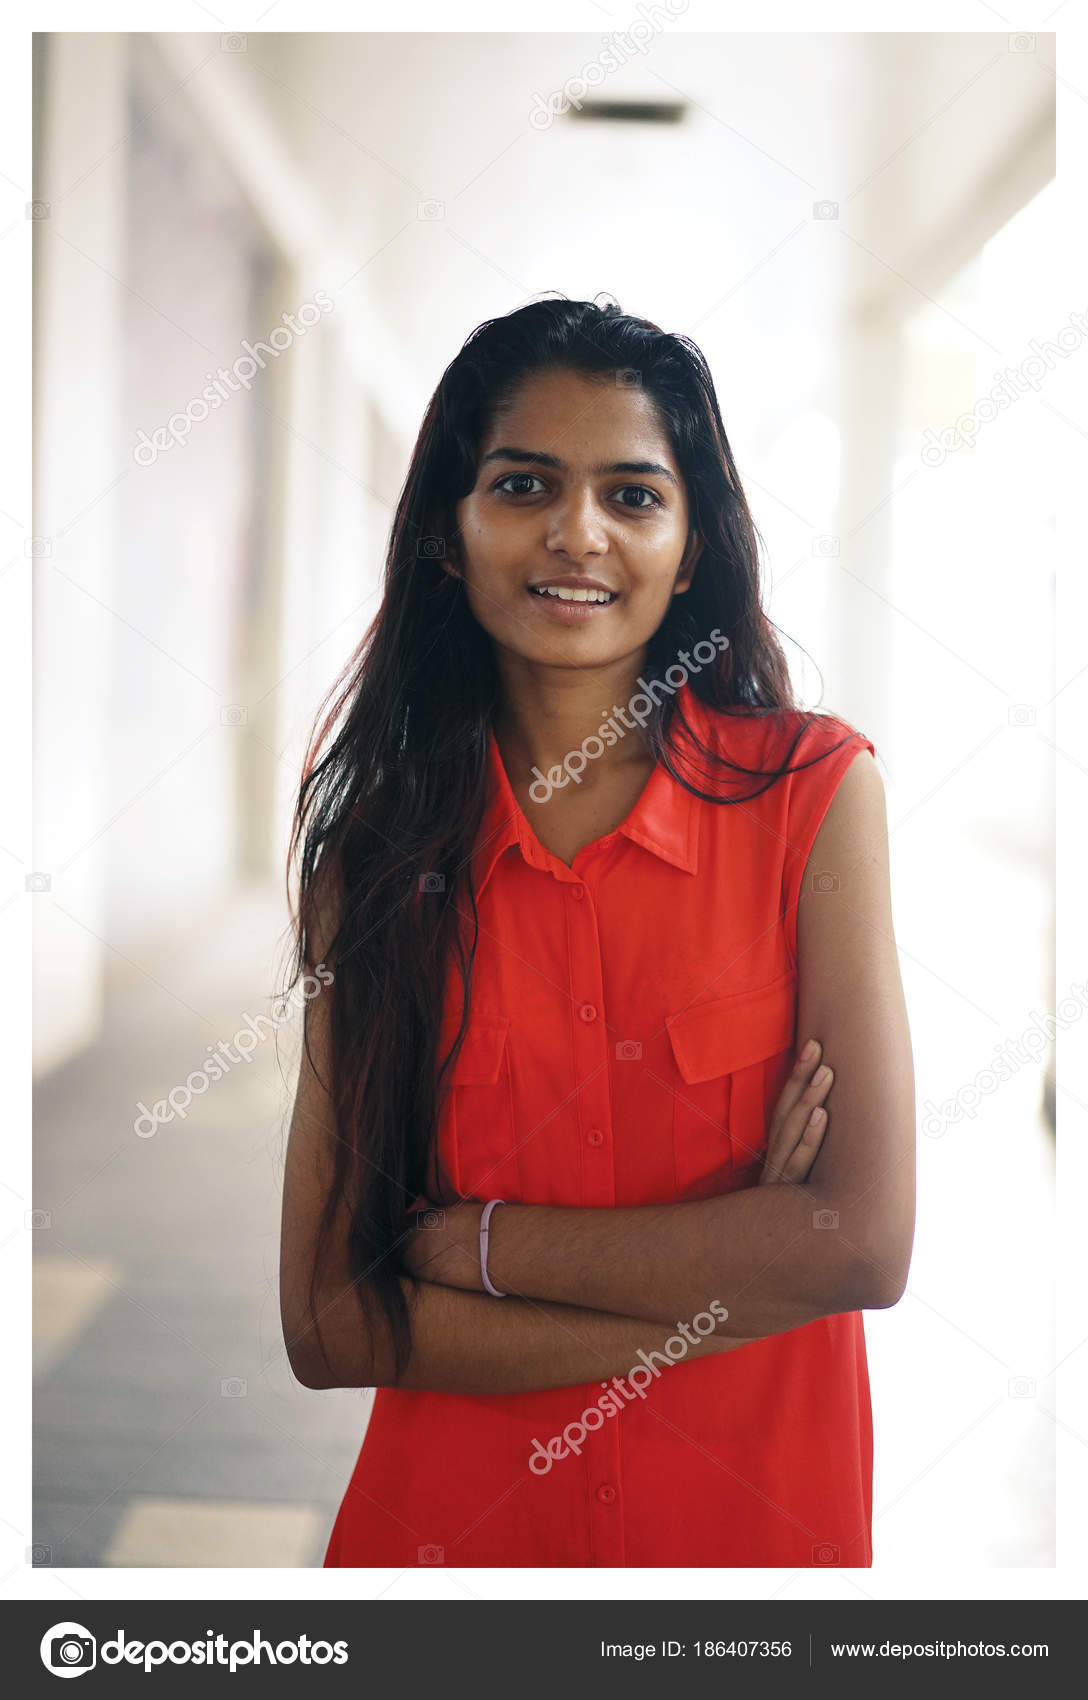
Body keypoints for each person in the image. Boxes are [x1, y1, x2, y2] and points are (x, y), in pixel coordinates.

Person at [278, 296, 916, 1569]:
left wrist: (473, 1247)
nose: (577, 532)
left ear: (690, 549)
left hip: (746, 1555)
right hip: (453, 1551)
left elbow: (859, 1241)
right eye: (522, 483)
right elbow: (332, 1320)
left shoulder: (812, 798)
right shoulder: (384, 855)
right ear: (449, 538)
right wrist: (737, 1278)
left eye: (632, 495)